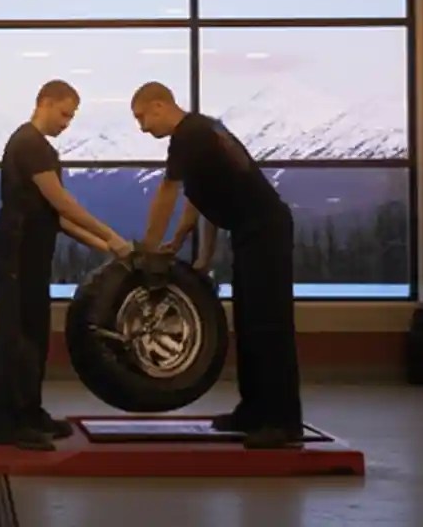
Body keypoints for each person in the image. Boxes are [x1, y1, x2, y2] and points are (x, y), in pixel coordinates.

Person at [129, 81, 304, 449]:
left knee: (269, 326)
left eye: (142, 117)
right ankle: (253, 411)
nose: (142, 127)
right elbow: (205, 197)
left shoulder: (188, 135)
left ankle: (283, 422)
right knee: (248, 322)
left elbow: (167, 192)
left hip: (265, 230)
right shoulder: (204, 129)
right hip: (249, 231)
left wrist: (147, 248)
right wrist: (196, 250)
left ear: (159, 105)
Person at [0, 79, 134, 451]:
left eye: (72, 117)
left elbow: (57, 218)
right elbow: (63, 203)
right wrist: (112, 235)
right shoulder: (29, 144)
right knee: (15, 335)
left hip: (33, 253)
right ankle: (6, 423)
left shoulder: (41, 148)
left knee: (34, 333)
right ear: (46, 102)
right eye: (65, 114)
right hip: (15, 251)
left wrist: (107, 247)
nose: (67, 123)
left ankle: (30, 412)